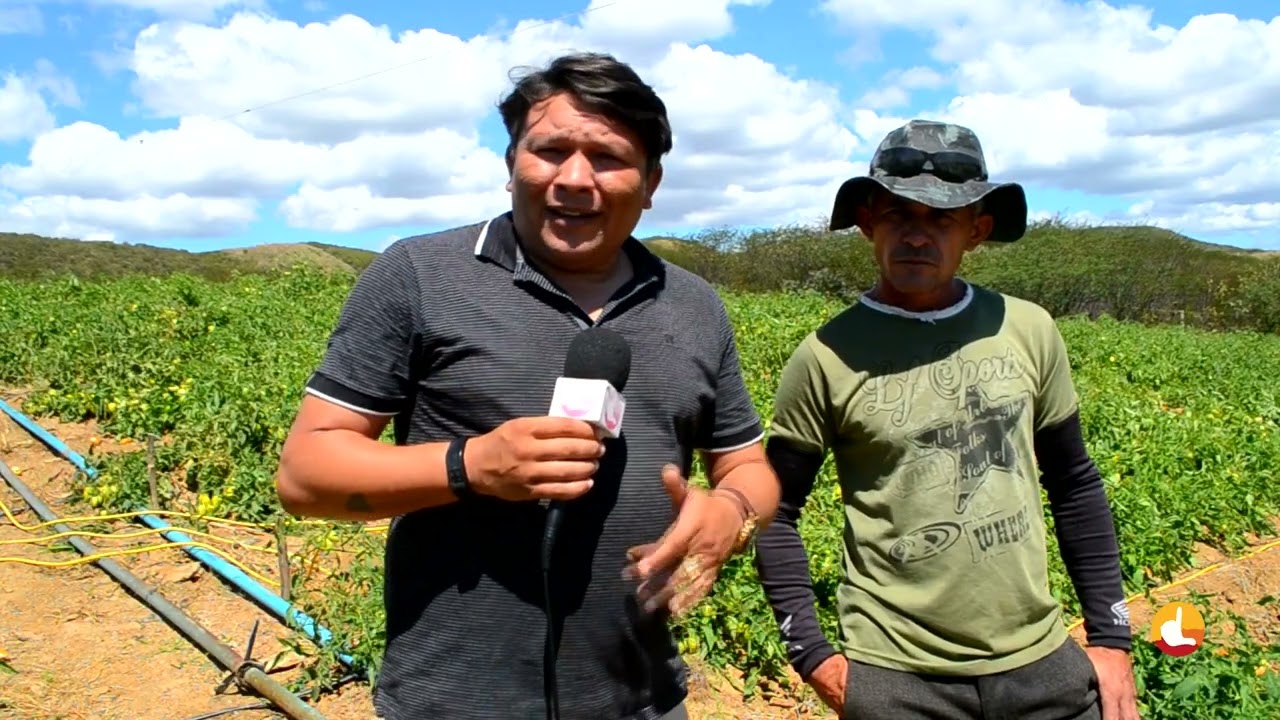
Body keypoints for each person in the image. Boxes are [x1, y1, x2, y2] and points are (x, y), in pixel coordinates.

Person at [273, 51, 781, 720]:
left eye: (607, 158)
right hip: (455, 701)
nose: (574, 179)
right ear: (512, 161)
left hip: (642, 700)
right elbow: (305, 478)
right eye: (550, 150)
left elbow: (747, 464)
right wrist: (471, 465)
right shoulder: (419, 276)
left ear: (652, 182)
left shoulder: (692, 305)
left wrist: (732, 513)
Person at [752, 119, 1141, 720]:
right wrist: (814, 656)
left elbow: (1074, 482)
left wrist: (1111, 639)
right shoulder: (826, 357)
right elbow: (773, 511)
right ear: (867, 224)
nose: (916, 235)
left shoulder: (1028, 329)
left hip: (1041, 663)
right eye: (898, 214)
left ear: (976, 231)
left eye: (940, 219)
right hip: (894, 678)